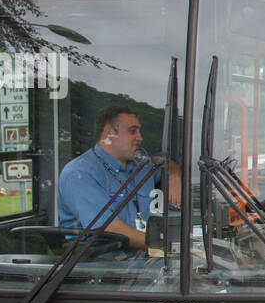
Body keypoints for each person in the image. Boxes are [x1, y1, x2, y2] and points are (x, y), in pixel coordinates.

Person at [58, 105, 181, 251]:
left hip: (145, 263)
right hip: (104, 266)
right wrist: (168, 247)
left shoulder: (140, 166)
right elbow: (108, 229)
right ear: (109, 133)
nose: (140, 138)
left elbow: (165, 163)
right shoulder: (79, 174)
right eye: (132, 131)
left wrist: (174, 175)